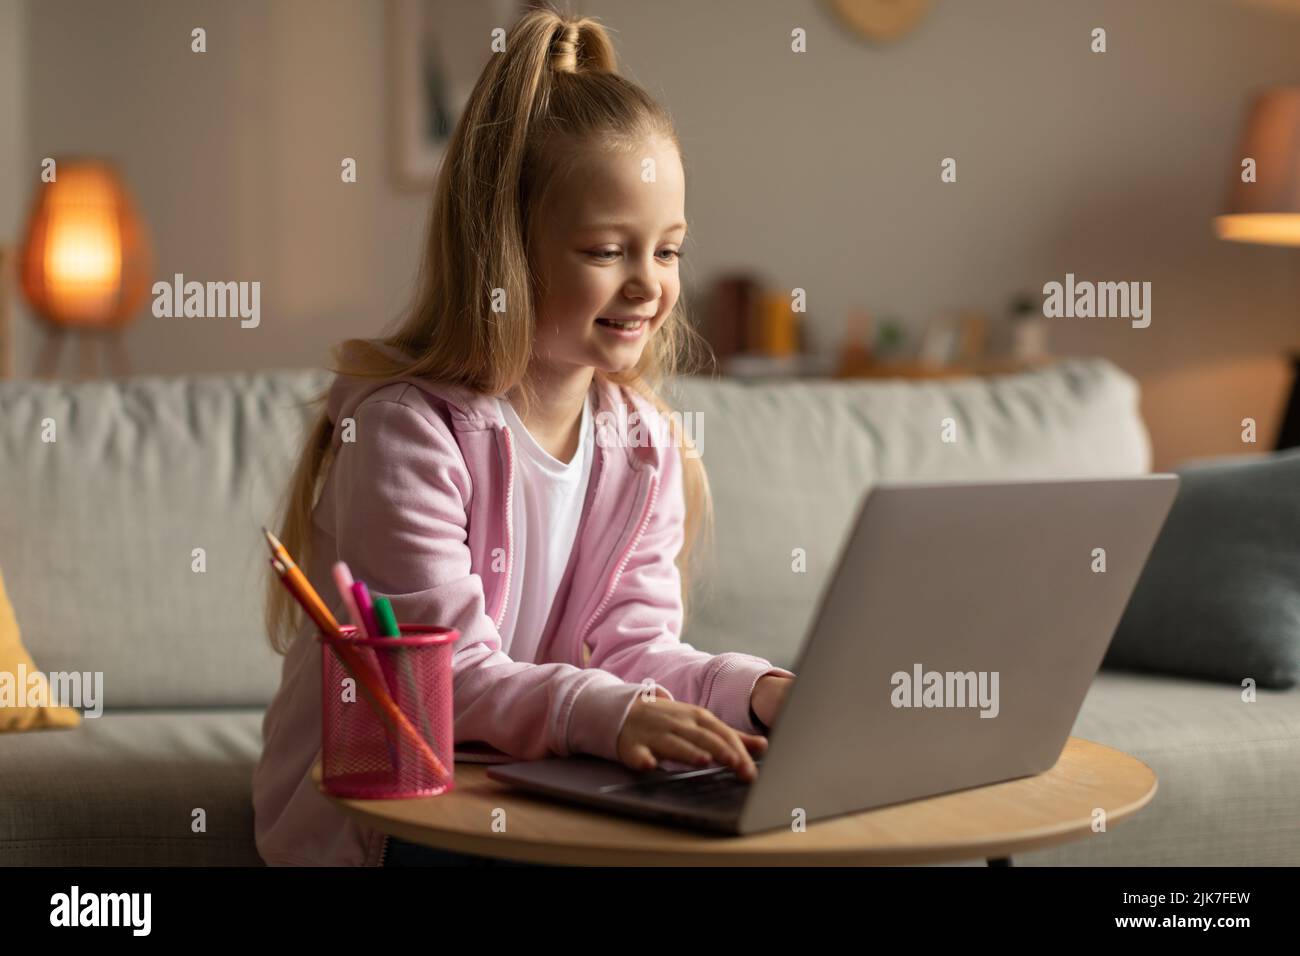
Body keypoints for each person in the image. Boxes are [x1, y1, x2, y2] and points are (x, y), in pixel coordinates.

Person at [252, 3, 796, 868]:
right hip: (392, 818)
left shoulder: (644, 442)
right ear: (505, 248)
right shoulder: (409, 432)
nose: (649, 287)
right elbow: (446, 683)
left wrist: (756, 694)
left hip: (526, 791)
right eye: (607, 250)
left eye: (668, 251)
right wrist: (606, 714)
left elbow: (636, 652)